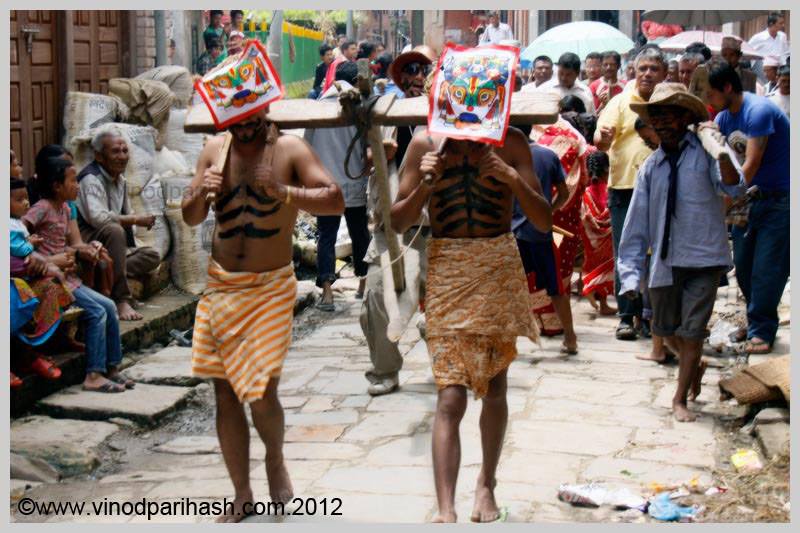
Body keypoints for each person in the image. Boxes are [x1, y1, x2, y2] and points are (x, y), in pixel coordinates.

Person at [182, 107, 344, 522]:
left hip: (270, 287)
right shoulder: (214, 151)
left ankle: (275, 457)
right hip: (222, 286)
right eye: (236, 118)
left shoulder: (290, 149)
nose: (245, 125)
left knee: (259, 389)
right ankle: (241, 492)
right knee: (224, 392)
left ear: (264, 109)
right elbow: (190, 216)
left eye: (252, 117)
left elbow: (334, 200)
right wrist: (201, 192)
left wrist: (282, 190)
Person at [391, 124, 551, 522]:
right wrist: (426, 185)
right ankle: (445, 507)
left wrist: (510, 177)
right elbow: (396, 221)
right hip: (448, 270)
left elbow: (544, 220)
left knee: (495, 387)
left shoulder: (510, 143)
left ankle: (486, 484)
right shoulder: (424, 144)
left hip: (497, 266)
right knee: (450, 396)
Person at [619, 83, 744, 422]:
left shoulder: (706, 153)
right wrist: (630, 274)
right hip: (664, 262)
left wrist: (720, 149)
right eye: (656, 117)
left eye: (669, 115)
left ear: (686, 117)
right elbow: (635, 226)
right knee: (664, 329)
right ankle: (693, 366)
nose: (661, 123)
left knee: (692, 332)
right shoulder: (651, 167)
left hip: (704, 258)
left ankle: (679, 398)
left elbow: (734, 185)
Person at [361, 44, 437, 397]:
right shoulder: (384, 112)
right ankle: (385, 369)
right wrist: (378, 153)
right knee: (377, 298)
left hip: (440, 226)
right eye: (410, 70)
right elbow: (363, 163)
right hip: (392, 224)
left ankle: (446, 358)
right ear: (399, 77)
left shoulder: (451, 114)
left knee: (445, 301)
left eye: (424, 69)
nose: (417, 77)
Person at [25, 156, 131, 393]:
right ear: (57, 186)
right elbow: (19, 236)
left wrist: (89, 246)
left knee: (109, 307)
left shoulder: (65, 208)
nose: (78, 186)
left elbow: (70, 244)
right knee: (96, 313)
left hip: (69, 279)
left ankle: (112, 367)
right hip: (52, 280)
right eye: (73, 181)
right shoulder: (41, 208)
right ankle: (93, 375)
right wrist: (39, 255)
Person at [708, 62, 790, 355]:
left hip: (779, 200)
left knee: (767, 268)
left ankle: (762, 331)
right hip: (749, 200)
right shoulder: (722, 117)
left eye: (711, 94)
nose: (709, 100)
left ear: (727, 88)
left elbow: (751, 164)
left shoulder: (759, 111)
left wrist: (726, 202)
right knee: (743, 266)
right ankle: (757, 321)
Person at [594, 47, 666, 340]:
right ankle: (626, 316)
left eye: (653, 69)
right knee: (625, 251)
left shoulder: (670, 103)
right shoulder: (620, 101)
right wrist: (604, 139)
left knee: (658, 252)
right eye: (642, 68)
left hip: (662, 190)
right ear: (634, 71)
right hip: (624, 187)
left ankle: (650, 316)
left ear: (664, 73)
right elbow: (599, 140)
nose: (647, 74)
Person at [305, 62, 371, 311]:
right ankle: (363, 285)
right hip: (353, 182)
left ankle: (328, 294)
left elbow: (307, 146)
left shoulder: (318, 106)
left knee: (326, 236)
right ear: (355, 82)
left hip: (326, 184)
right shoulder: (360, 107)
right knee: (359, 233)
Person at [75, 131, 161, 321]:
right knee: (114, 230)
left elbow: (126, 220)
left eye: (125, 151)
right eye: (115, 151)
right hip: (88, 239)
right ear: (99, 156)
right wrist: (135, 219)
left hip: (111, 244)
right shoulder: (91, 178)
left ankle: (106, 270)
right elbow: (98, 219)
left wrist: (132, 225)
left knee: (152, 255)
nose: (122, 156)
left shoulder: (120, 181)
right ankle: (121, 298)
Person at [529, 96, 593, 339]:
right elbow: (575, 184)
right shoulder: (574, 139)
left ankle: (538, 320)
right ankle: (563, 330)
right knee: (556, 273)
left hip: (533, 218)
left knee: (536, 271)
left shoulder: (530, 137)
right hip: (559, 217)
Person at [514, 138, 578, 354]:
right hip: (540, 231)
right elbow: (564, 193)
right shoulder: (548, 155)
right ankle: (570, 338)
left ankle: (506, 342)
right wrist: (547, 212)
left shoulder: (504, 155)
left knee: (508, 288)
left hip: (511, 232)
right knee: (555, 288)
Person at [580, 151, 616, 316]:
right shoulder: (611, 191)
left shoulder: (586, 192)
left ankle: (591, 288)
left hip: (591, 238)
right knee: (608, 266)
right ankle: (598, 297)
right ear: (607, 169)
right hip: (607, 239)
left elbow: (583, 215)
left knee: (593, 265)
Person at [525, 52, 596, 114]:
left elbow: (591, 117)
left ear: (577, 73)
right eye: (561, 73)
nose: (563, 78)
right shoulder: (545, 89)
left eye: (568, 74)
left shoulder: (585, 92)